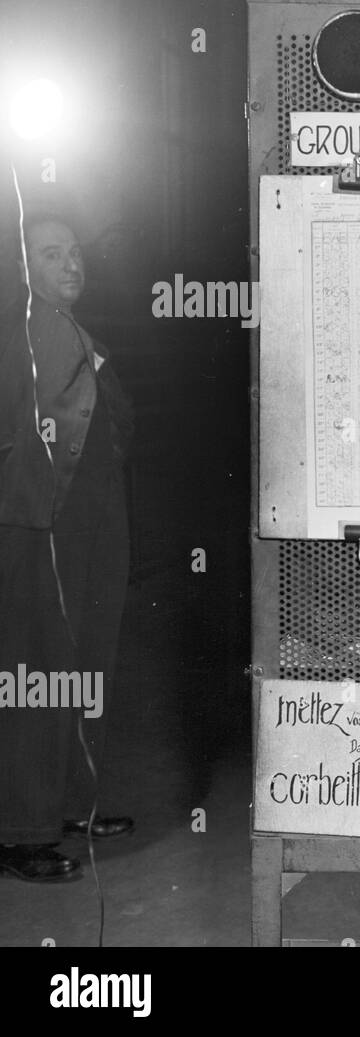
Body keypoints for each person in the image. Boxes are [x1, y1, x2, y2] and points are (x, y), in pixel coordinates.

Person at [0, 215, 135, 883]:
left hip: (97, 528)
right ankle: (21, 832)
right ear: (24, 268)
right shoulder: (16, 336)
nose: (72, 264)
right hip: (43, 529)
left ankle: (72, 810)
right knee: (39, 675)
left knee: (87, 668)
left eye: (76, 252)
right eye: (52, 255)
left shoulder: (79, 333)